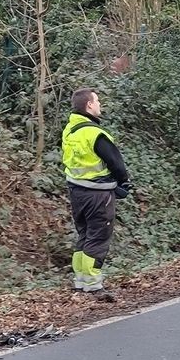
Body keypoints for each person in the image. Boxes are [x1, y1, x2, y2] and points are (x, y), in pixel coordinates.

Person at [61, 88, 131, 299]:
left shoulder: (69, 131)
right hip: (98, 194)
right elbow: (116, 163)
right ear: (89, 105)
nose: (100, 104)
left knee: (84, 236)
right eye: (97, 101)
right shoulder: (95, 133)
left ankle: (80, 282)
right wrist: (123, 182)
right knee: (98, 237)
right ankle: (93, 286)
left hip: (76, 192)